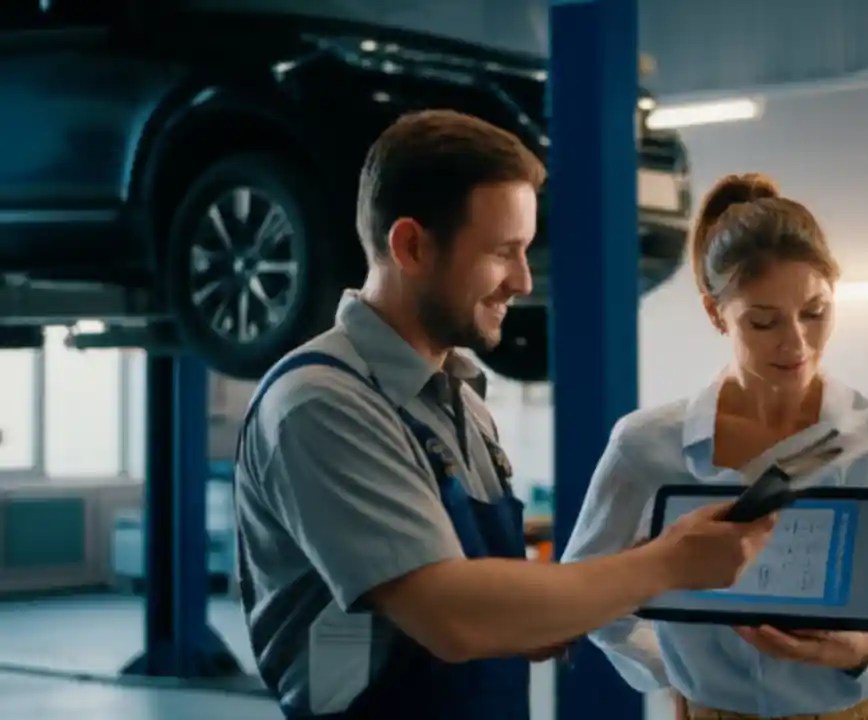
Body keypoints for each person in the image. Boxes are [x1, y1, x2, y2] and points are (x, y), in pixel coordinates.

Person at [232, 110, 777, 720]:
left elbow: (502, 612)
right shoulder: (320, 405)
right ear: (410, 246)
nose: (521, 280)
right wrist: (667, 562)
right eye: (502, 252)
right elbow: (452, 616)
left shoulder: (460, 400)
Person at [561, 173, 868, 720]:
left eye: (815, 312)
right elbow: (583, 596)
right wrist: (679, 665)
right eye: (763, 322)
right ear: (716, 313)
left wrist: (865, 653)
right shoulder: (646, 447)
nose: (796, 343)